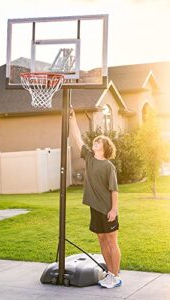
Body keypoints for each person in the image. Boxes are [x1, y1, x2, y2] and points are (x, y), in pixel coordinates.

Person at [69, 108, 122, 289]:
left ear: (104, 147)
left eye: (98, 141)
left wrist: (114, 210)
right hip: (95, 208)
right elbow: (77, 139)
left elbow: (114, 190)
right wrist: (72, 118)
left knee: (111, 241)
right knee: (101, 240)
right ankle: (109, 273)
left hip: (108, 209)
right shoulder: (89, 158)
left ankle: (115, 276)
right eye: (95, 141)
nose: (95, 142)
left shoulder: (108, 166)